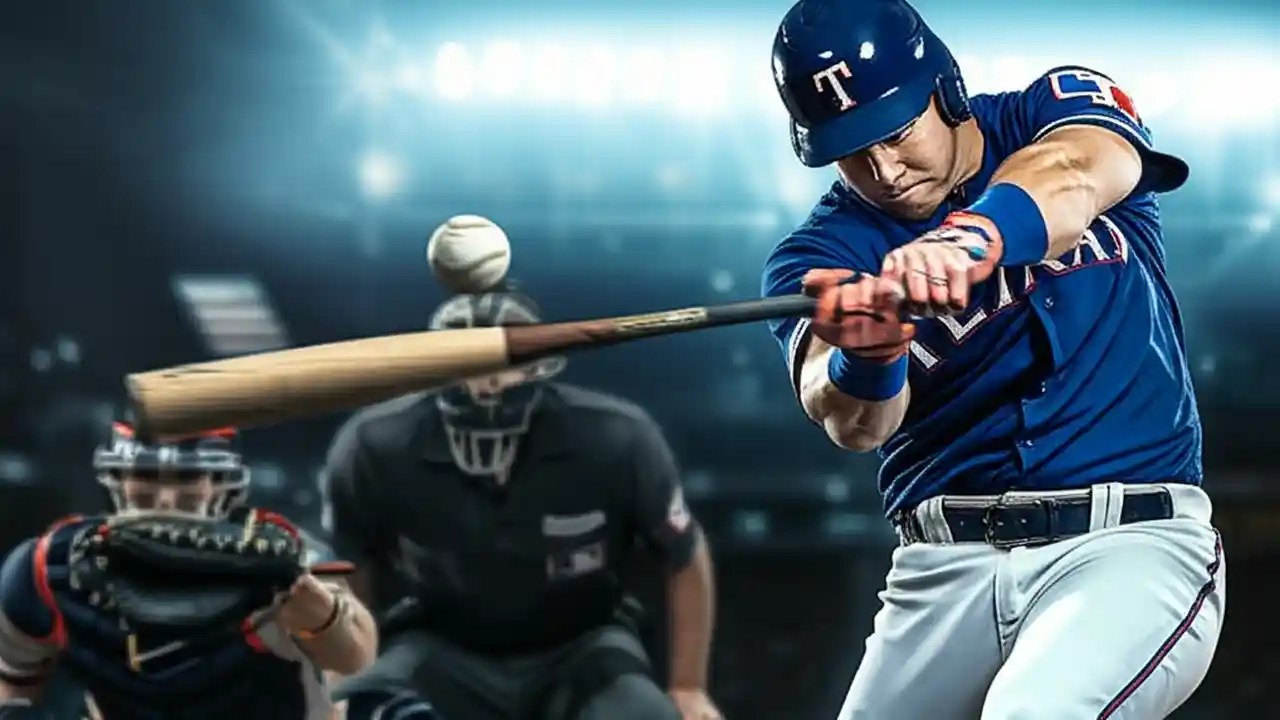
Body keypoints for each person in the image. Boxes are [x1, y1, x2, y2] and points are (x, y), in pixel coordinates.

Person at [760, 1, 1224, 718]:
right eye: (850, 149)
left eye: (895, 129)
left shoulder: (1053, 108)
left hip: (1127, 544)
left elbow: (1075, 172)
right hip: (941, 567)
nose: (882, 168)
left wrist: (973, 237)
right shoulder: (820, 254)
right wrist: (872, 354)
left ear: (944, 87)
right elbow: (849, 419)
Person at [322, 286, 722, 720]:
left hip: (582, 647)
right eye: (468, 360)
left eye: (500, 360)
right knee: (366, 711)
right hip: (441, 643)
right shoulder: (374, 445)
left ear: (539, 364)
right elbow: (350, 564)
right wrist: (346, 674)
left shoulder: (616, 437)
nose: (486, 383)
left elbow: (683, 554)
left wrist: (688, 686)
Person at [0, 422, 381, 720]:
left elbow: (355, 661)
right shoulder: (53, 568)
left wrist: (320, 613)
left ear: (220, 485)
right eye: (147, 475)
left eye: (186, 478)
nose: (166, 499)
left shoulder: (281, 561)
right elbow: (13, 682)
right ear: (118, 479)